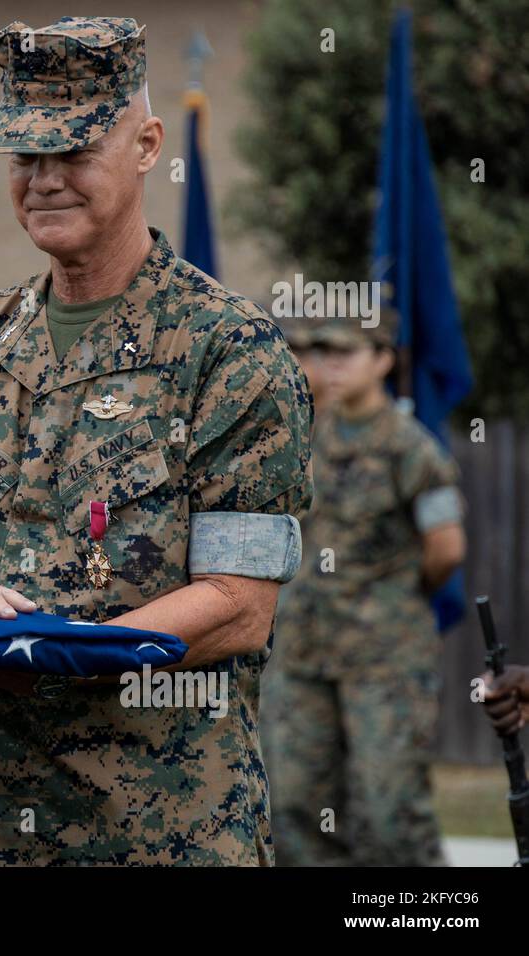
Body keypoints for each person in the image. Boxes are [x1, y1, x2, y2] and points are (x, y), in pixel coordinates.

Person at [0, 17, 313, 865]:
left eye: (74, 152)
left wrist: (45, 654)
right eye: (24, 157)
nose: (45, 181)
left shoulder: (229, 355)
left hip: (161, 836)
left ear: (148, 144)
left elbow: (238, 607)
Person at [265, 314, 466, 866]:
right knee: (297, 801)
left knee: (389, 807)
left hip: (384, 657)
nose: (329, 365)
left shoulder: (411, 448)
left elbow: (446, 548)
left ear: (383, 360)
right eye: (322, 354)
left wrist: (392, 599)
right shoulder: (311, 436)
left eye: (345, 353)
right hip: (305, 651)